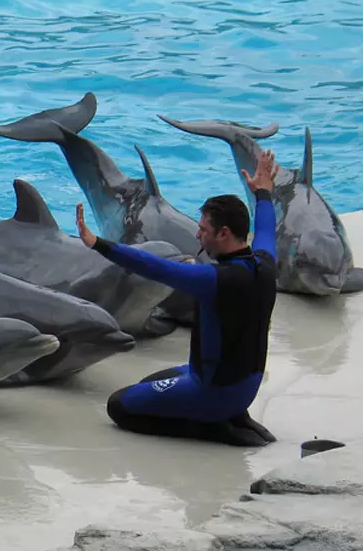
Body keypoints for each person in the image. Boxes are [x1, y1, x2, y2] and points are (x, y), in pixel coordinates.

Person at [75, 149, 280, 446]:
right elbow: (265, 228)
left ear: (223, 234)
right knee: (148, 384)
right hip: (246, 386)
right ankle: (232, 414)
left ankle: (213, 427)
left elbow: (155, 267)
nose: (198, 236)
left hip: (212, 392)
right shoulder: (265, 264)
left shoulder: (212, 280)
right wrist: (263, 193)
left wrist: (97, 244)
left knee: (119, 406)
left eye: (203, 230)